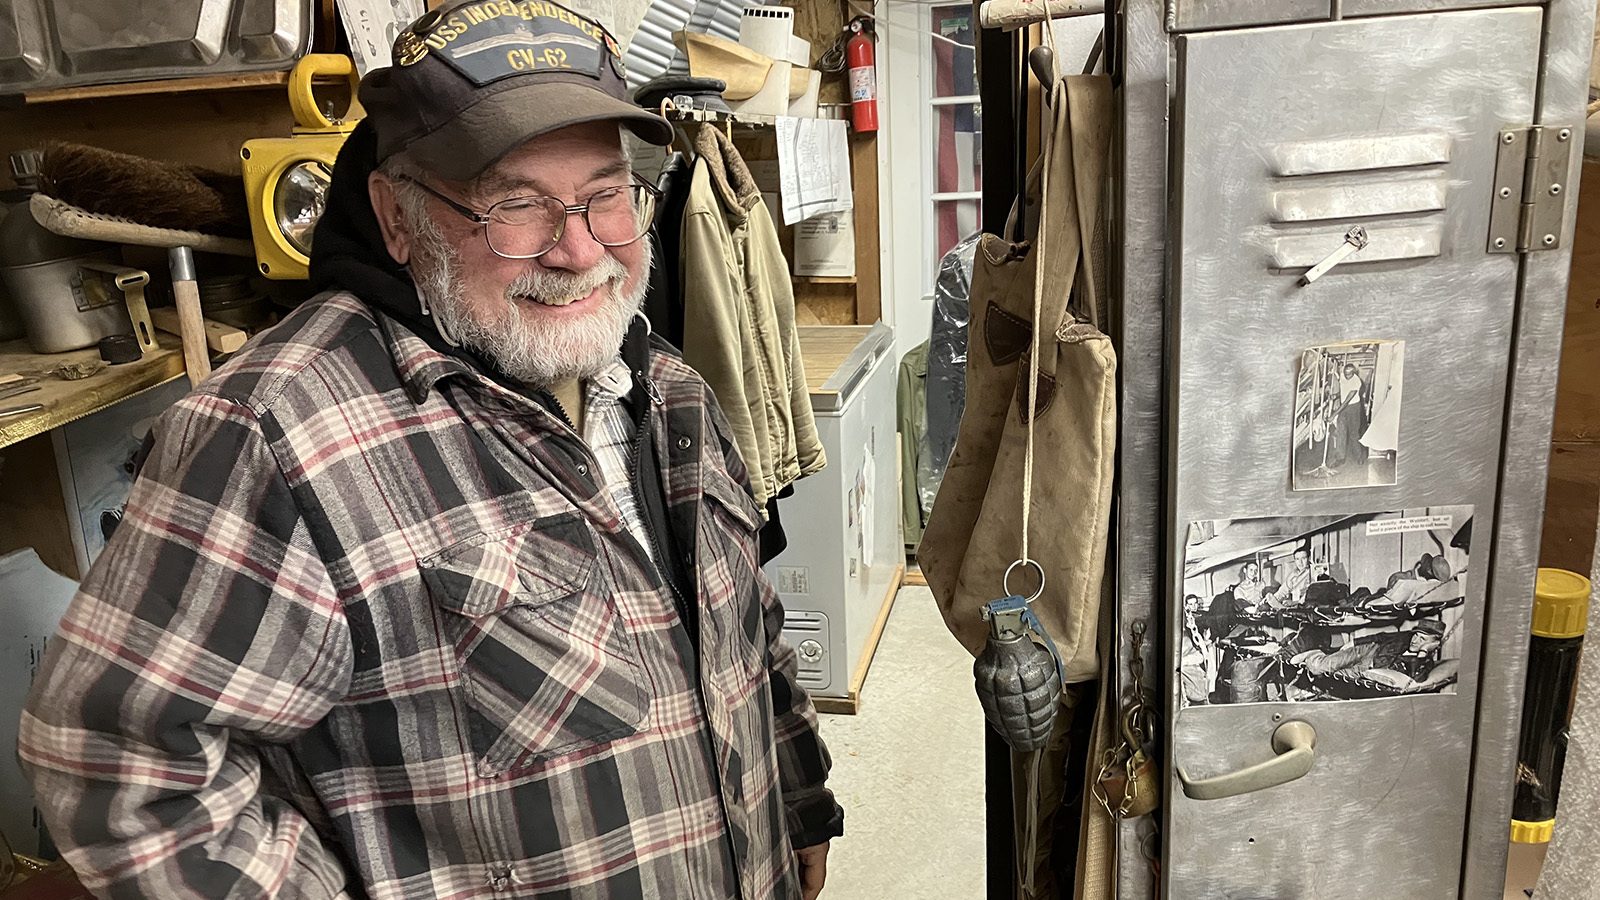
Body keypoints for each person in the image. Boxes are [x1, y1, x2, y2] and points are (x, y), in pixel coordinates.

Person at [17, 5, 842, 900]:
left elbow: (743, 627)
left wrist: (797, 796)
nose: (578, 250)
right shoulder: (276, 436)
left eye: (606, 195)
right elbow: (117, 758)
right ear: (396, 216)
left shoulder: (666, 386)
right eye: (515, 205)